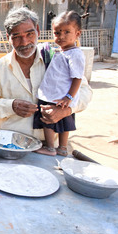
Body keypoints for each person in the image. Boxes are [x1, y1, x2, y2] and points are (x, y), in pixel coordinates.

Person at [0, 7, 92, 145]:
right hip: (11, 145)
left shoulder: (57, 58)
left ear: (38, 31)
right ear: (9, 38)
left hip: (50, 146)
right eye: (17, 37)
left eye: (29, 34)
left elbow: (85, 92)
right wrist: (11, 106)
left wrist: (65, 110)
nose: (25, 42)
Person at [33, 11, 88, 156]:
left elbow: (78, 78)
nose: (61, 36)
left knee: (48, 121)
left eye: (67, 32)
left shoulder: (75, 54)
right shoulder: (61, 51)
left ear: (77, 33)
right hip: (57, 94)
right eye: (57, 33)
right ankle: (62, 149)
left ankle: (51, 148)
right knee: (63, 123)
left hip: (60, 96)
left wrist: (69, 97)